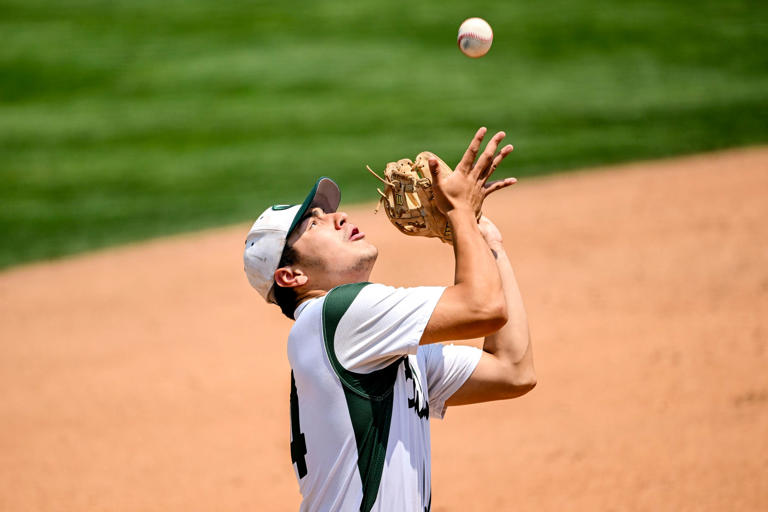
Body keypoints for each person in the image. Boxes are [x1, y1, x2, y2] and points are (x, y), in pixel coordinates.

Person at [243, 127, 536, 511]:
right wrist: (459, 212)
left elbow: (512, 370)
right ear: (291, 277)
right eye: (313, 224)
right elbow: (482, 308)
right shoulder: (337, 313)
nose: (337, 216)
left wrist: (487, 242)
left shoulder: (375, 345)